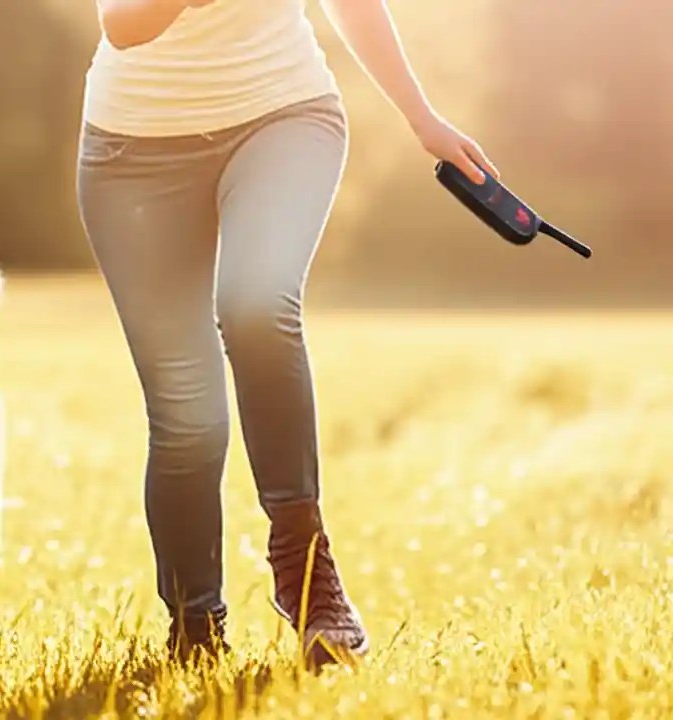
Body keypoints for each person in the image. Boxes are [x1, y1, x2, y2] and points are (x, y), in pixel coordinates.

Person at [76, 0, 499, 666]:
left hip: (283, 113)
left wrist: (422, 116)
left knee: (256, 302)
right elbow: (125, 25)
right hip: (134, 151)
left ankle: (305, 569)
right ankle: (195, 624)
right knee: (190, 420)